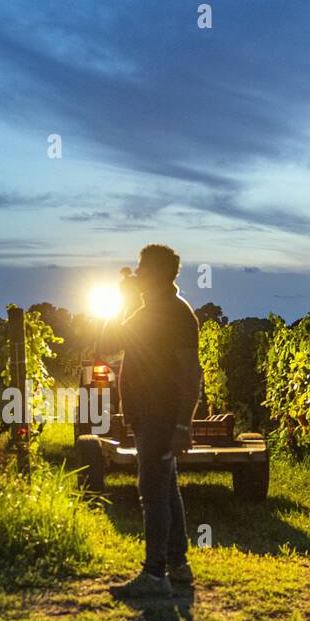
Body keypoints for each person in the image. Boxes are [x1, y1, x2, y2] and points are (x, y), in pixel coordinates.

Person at [110, 244, 202, 597]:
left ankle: (154, 574)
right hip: (149, 416)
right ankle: (178, 565)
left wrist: (183, 424)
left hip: (161, 417)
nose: (137, 272)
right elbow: (114, 340)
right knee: (168, 490)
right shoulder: (151, 310)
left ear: (159, 273)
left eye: (142, 267)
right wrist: (126, 298)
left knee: (152, 493)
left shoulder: (176, 314)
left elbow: (191, 373)